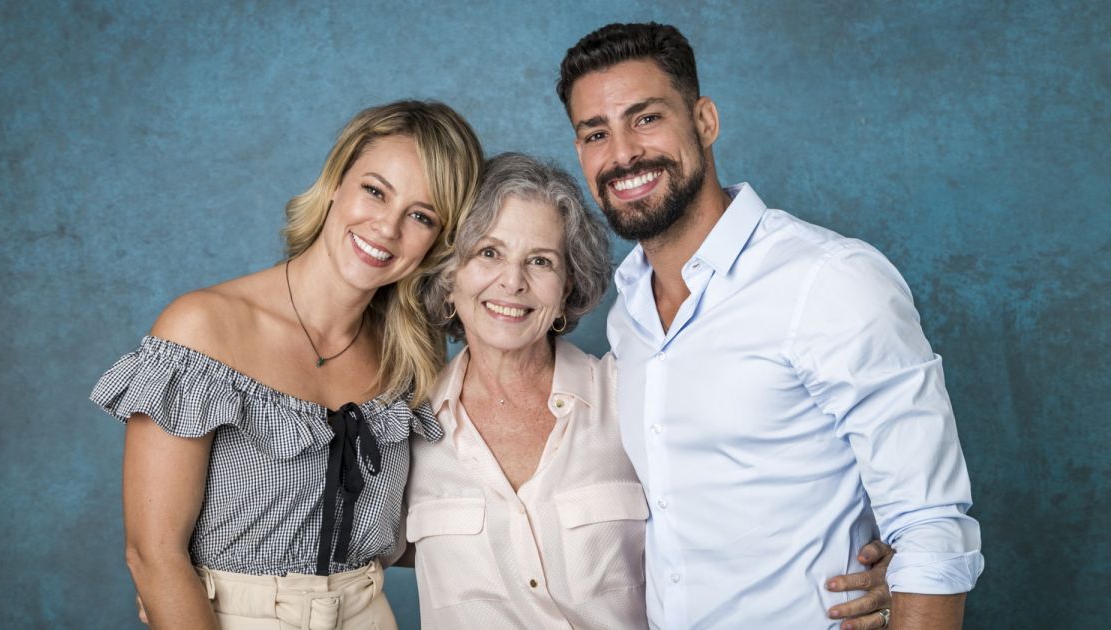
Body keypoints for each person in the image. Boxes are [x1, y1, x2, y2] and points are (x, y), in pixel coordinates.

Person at [556, 23, 984, 629]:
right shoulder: (627, 312)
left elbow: (933, 529)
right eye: (596, 133)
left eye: (645, 118)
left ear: (704, 121)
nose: (622, 154)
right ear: (580, 153)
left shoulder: (829, 280)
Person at [404, 153, 895, 629]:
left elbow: (766, 485)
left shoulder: (634, 396)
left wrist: (889, 565)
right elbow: (346, 555)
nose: (512, 281)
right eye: (488, 253)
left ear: (566, 289)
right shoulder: (401, 430)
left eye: (540, 261)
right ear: (449, 278)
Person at [89, 100, 482, 630]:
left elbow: (416, 530)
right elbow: (153, 556)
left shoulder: (409, 357)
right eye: (374, 190)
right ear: (337, 182)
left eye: (420, 216)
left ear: (438, 239)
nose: (387, 228)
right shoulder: (202, 328)